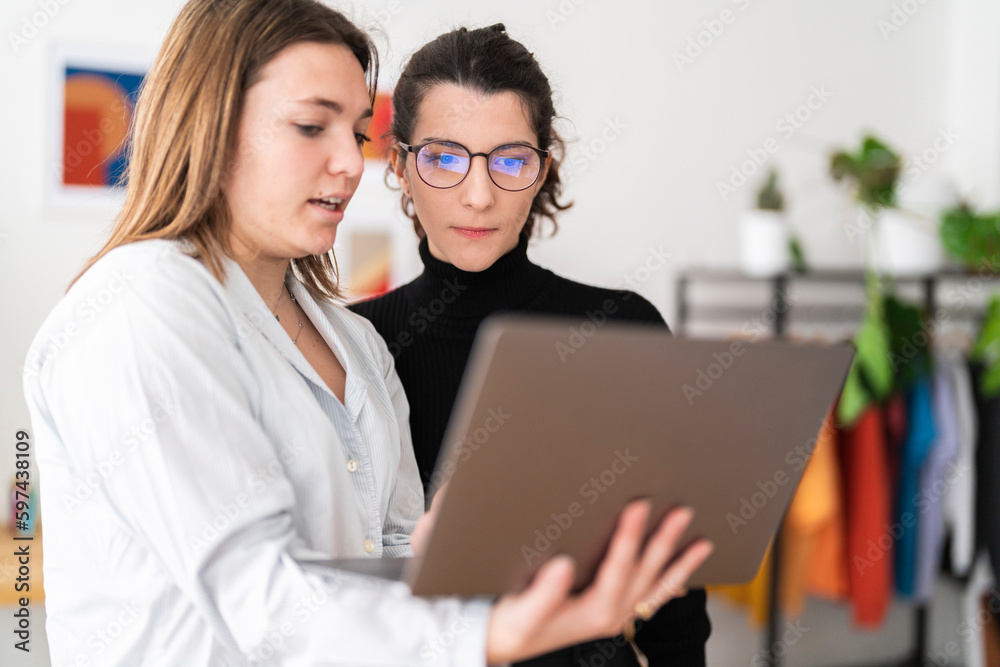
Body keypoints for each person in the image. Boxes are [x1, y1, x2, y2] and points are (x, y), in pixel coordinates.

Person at [21, 2, 713, 666]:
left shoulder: (355, 343)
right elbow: (260, 596)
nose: (353, 163)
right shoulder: (139, 308)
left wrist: (451, 558)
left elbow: (387, 552)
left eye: (354, 132)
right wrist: (488, 629)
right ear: (212, 123)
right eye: (310, 127)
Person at [349, 24, 712, 667]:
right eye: (443, 157)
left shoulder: (622, 330)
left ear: (543, 169)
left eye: (511, 159)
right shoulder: (354, 346)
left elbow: (676, 599)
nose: (479, 193)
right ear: (402, 167)